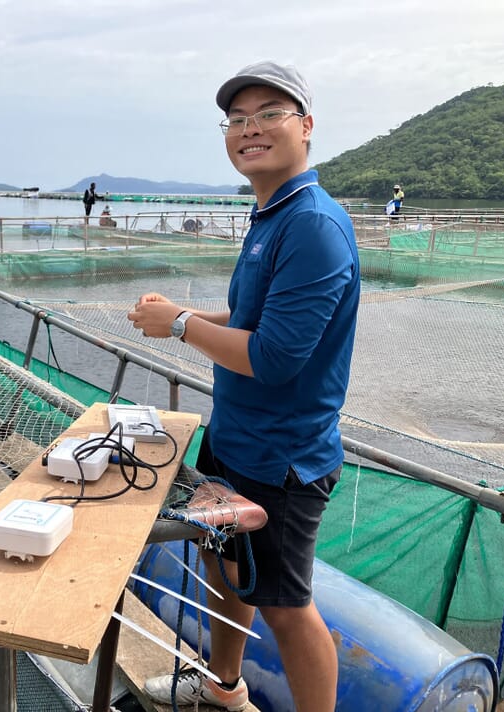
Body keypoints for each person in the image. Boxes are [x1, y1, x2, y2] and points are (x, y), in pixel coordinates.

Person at [127, 61, 360, 712]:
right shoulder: (269, 213)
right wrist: (190, 316)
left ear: (306, 127)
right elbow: (257, 320)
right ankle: (221, 689)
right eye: (237, 119)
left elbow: (276, 357)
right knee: (225, 569)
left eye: (270, 114)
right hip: (235, 439)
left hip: (283, 459)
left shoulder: (312, 223)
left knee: (288, 608)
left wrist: (178, 324)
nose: (249, 128)